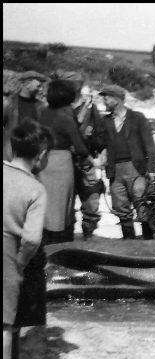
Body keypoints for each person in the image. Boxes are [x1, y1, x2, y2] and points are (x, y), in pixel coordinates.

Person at [3, 120, 50, 359]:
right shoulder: (35, 189)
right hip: (9, 250)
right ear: (41, 155)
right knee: (6, 323)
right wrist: (20, 263)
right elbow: (32, 239)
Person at [99, 84, 155, 240]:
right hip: (115, 170)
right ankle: (129, 243)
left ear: (116, 99)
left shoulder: (138, 118)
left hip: (136, 168)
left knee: (142, 204)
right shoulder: (104, 121)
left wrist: (152, 169)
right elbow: (98, 142)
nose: (104, 101)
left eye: (106, 98)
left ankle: (148, 242)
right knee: (120, 207)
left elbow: (150, 145)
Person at [53, 70, 106, 240]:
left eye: (77, 85)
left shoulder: (89, 107)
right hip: (62, 161)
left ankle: (88, 236)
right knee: (62, 203)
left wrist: (102, 155)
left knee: (91, 202)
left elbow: (99, 133)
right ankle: (64, 238)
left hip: (86, 161)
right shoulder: (56, 106)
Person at [38, 79, 91, 244]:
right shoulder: (66, 118)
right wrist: (88, 157)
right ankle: (58, 241)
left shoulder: (42, 113)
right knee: (61, 206)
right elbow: (80, 147)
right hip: (61, 161)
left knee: (45, 204)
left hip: (43, 159)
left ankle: (43, 238)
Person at [3, 70, 49, 161]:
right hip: (9, 150)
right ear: (28, 84)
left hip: (29, 152)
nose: (40, 89)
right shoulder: (9, 102)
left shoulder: (41, 106)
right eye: (38, 86)